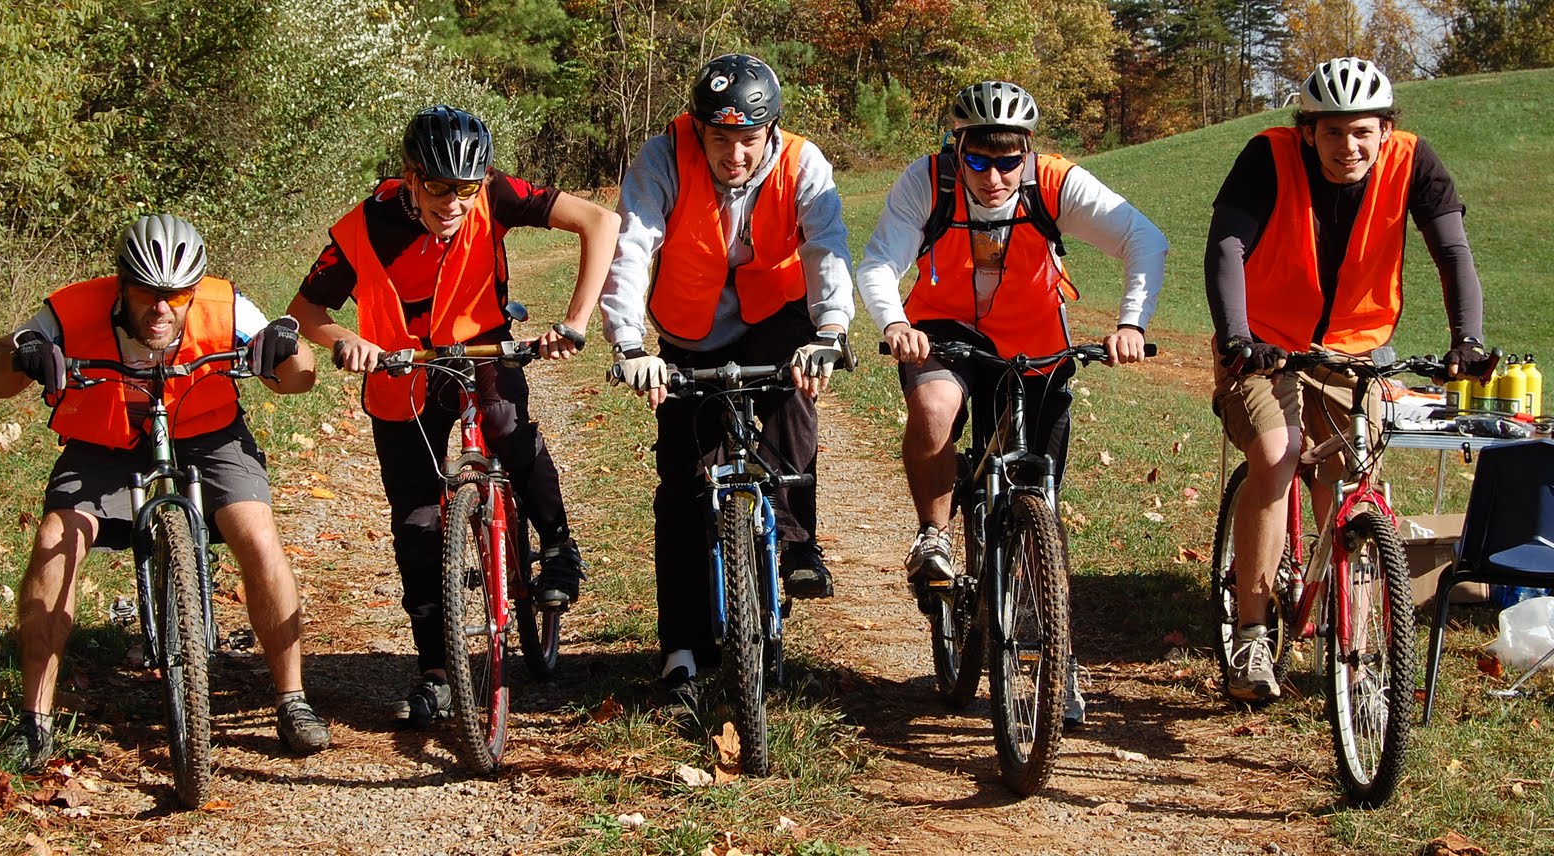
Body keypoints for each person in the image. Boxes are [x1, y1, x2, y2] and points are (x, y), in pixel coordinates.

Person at [287, 105, 619, 727]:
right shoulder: (365, 227)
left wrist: (574, 321)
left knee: (504, 425)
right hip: (401, 373)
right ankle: (437, 670)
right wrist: (343, 341)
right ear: (411, 177)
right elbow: (304, 311)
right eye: (438, 187)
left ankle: (556, 544)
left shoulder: (493, 192)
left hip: (483, 347)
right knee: (416, 521)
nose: (454, 203)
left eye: (465, 189)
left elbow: (600, 222)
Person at [856, 80, 1168, 725]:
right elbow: (880, 260)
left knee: (1040, 502)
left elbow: (1146, 240)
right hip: (943, 331)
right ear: (956, 146)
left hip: (1036, 345)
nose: (995, 175)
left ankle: (1055, 661)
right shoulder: (929, 183)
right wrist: (893, 323)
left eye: (1009, 160)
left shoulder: (1056, 184)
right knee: (935, 410)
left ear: (1028, 152)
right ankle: (933, 537)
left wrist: (1132, 323)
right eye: (979, 159)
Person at [0, 214, 330, 768]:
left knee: (257, 536)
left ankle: (292, 699)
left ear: (194, 289)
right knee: (53, 542)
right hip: (103, 441)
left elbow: (299, 376)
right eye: (145, 293)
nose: (161, 309)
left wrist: (284, 346)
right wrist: (22, 353)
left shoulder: (224, 304)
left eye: (177, 295)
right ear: (121, 283)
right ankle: (35, 720)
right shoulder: (72, 309)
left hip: (209, 435)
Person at [1207, 57, 1493, 703]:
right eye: (1332, 132)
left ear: (1386, 130)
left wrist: (1466, 339)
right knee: (1276, 458)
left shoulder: (1415, 163)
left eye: (1362, 131)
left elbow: (1451, 251)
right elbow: (1226, 245)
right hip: (1265, 343)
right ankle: (1252, 633)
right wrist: (1236, 338)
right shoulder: (1268, 156)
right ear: (1307, 131)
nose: (1348, 147)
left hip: (1357, 348)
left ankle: (1351, 630)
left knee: (1348, 474)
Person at [600, 54, 856, 706]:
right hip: (689, 329)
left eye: (749, 139)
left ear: (771, 130)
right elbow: (633, 244)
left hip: (778, 312)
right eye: (720, 139)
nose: (735, 155)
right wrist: (629, 343)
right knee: (684, 480)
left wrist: (830, 333)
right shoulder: (663, 158)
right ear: (698, 128)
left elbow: (827, 245)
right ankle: (681, 645)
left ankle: (798, 548)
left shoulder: (803, 162)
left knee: (798, 389)